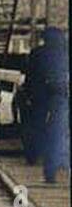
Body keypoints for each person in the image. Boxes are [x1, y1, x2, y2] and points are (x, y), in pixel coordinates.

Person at [26, 27, 69, 184]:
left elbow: (30, 77)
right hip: (59, 97)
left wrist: (29, 96)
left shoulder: (37, 53)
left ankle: (35, 156)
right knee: (57, 133)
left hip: (40, 98)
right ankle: (55, 166)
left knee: (39, 129)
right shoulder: (64, 53)